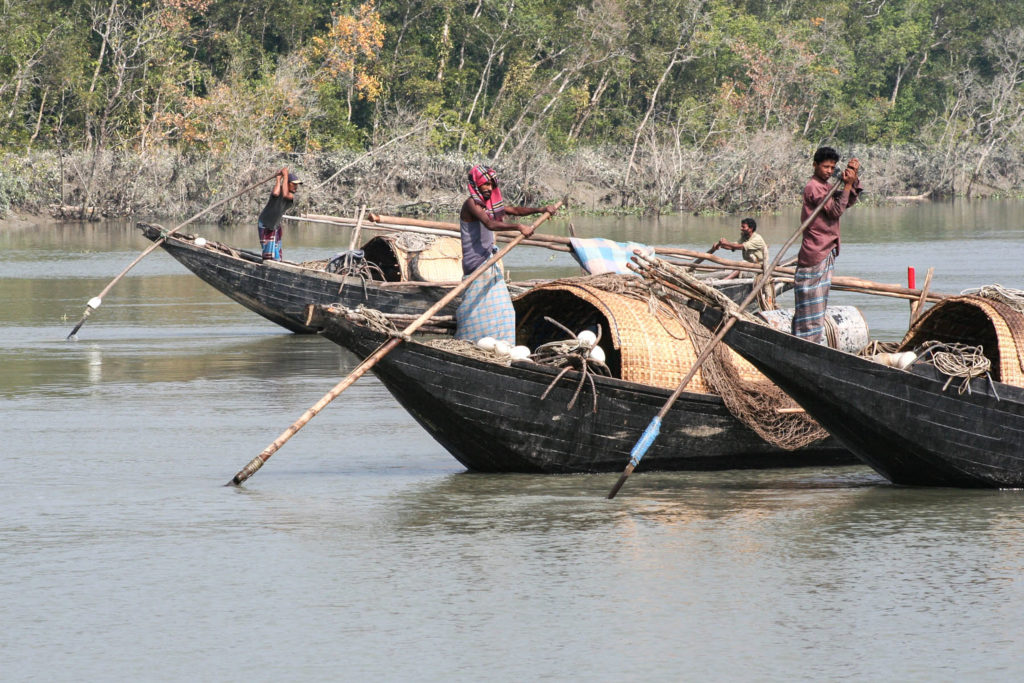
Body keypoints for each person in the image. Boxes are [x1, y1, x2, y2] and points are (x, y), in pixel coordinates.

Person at [455, 165, 557, 345]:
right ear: (475, 185)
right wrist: (518, 227)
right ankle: (469, 341)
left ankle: (499, 344)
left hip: (488, 262)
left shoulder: (489, 204)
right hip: (476, 264)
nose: (488, 188)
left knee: (506, 312)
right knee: (480, 310)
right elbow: (490, 224)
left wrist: (541, 210)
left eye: (491, 184)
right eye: (484, 185)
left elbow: (515, 211)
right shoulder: (471, 203)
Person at [791, 147, 861, 343]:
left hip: (825, 249)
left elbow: (846, 201)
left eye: (832, 168)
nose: (829, 171)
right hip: (815, 251)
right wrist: (847, 186)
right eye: (825, 167)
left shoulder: (826, 187)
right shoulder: (814, 187)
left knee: (818, 303)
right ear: (815, 165)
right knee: (810, 303)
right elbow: (835, 211)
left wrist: (853, 180)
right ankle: (806, 343)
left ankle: (810, 341)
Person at [257, 167, 301, 261]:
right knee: (268, 253)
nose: (296, 187)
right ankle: (270, 265)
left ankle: (276, 264)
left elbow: (285, 194)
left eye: (297, 185)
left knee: (276, 251)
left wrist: (285, 176)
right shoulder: (280, 189)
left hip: (274, 226)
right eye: (293, 184)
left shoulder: (291, 196)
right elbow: (276, 193)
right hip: (265, 223)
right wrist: (278, 179)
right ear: (287, 183)